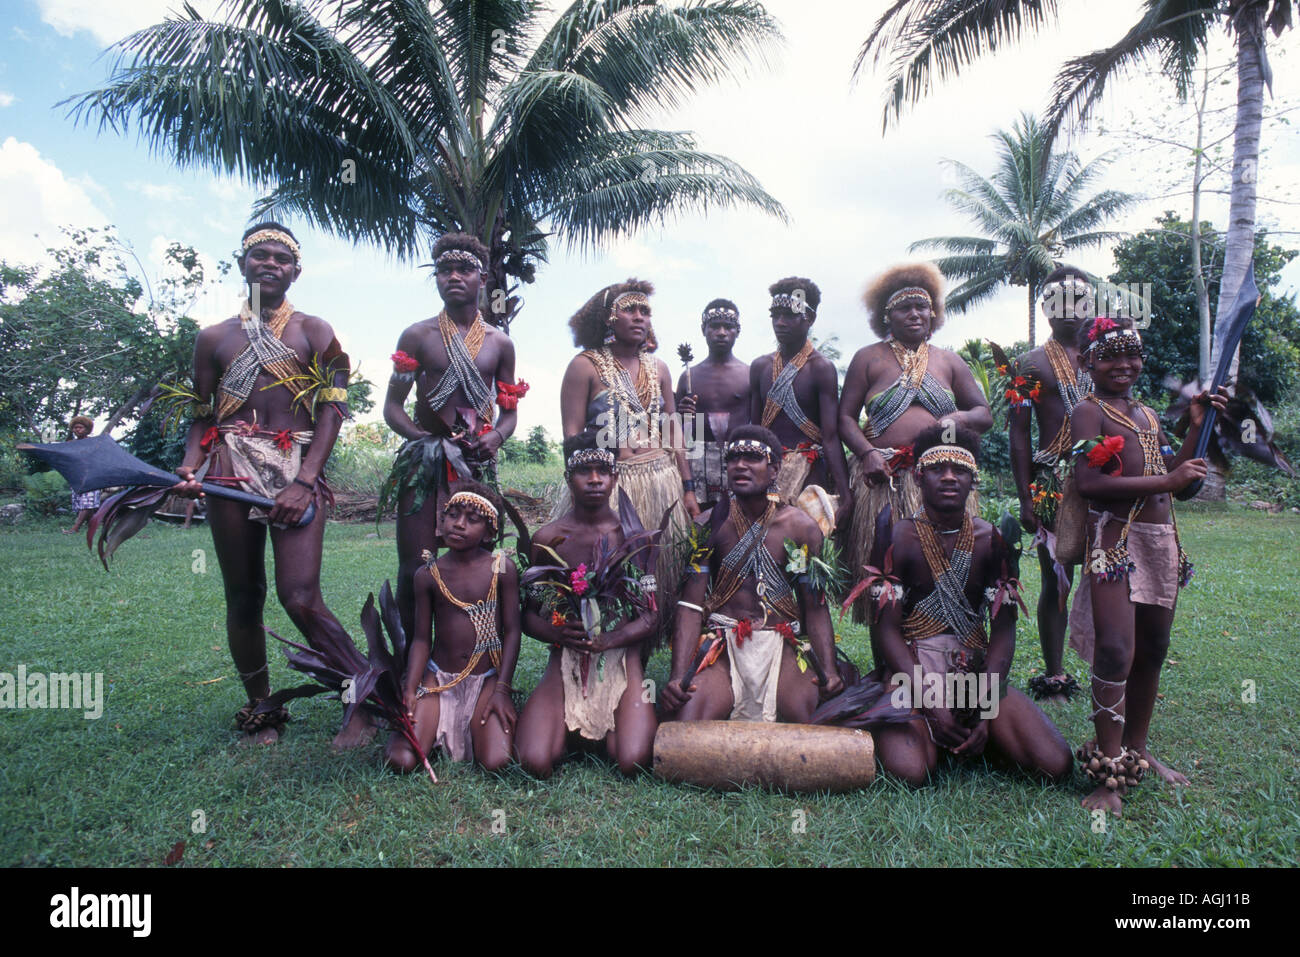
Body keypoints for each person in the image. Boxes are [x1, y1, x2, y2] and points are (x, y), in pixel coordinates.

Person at [171, 223, 368, 747]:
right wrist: (191, 466)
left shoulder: (315, 332)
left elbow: (333, 410)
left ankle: (365, 694)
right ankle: (261, 707)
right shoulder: (213, 338)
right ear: (242, 264)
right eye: (260, 256)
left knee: (300, 596)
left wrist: (306, 480)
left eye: (282, 258)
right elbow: (202, 416)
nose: (270, 264)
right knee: (243, 595)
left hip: (294, 466)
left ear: (296, 271)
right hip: (228, 466)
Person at [1067, 315, 1228, 816]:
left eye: (1131, 354)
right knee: (1116, 651)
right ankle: (1108, 774)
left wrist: (1195, 429)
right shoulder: (1088, 413)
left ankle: (1137, 751)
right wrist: (1169, 481)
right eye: (1110, 355)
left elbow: (1171, 472)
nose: (1124, 364)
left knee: (1153, 650)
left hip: (1161, 541)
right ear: (1088, 362)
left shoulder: (1146, 413)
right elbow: (1089, 485)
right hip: (1113, 542)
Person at [864, 424, 1072, 786]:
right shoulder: (895, 536)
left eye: (959, 470)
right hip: (912, 672)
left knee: (1054, 765)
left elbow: (1004, 630)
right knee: (909, 771)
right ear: (918, 476)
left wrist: (985, 704)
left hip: (973, 674)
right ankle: (933, 726)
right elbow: (887, 632)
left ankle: (973, 731)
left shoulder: (993, 539)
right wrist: (930, 703)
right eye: (937, 469)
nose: (948, 477)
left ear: (973, 480)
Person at [383, 232, 522, 640]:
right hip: (425, 463)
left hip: (477, 465)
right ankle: (414, 660)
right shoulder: (417, 336)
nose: (453, 277)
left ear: (483, 278)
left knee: (480, 563)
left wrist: (496, 437)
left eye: (464, 269)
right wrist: (424, 440)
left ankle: (476, 657)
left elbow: (510, 413)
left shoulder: (500, 344)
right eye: (444, 270)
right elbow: (392, 406)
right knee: (416, 564)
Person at [839, 263, 992, 624]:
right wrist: (867, 453)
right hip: (884, 479)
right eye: (904, 307)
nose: (914, 314)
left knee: (941, 567)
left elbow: (983, 414)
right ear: (886, 315)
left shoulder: (949, 361)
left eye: (921, 306)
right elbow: (844, 418)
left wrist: (958, 418)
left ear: (933, 313)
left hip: (942, 480)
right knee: (885, 572)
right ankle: (886, 664)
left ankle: (940, 647)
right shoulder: (868, 358)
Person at [660, 425, 844, 723]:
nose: (740, 465)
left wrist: (829, 671)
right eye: (733, 458)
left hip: (781, 641)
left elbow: (814, 605)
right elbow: (691, 606)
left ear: (774, 470)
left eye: (752, 458)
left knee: (814, 717)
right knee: (689, 719)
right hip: (723, 643)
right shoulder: (708, 527)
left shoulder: (801, 529)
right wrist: (678, 676)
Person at [515, 435, 659, 776]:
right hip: (565, 656)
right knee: (534, 760)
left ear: (615, 478)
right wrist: (559, 633)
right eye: (584, 471)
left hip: (622, 657)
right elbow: (528, 616)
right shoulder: (547, 539)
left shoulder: (635, 537)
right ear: (568, 478)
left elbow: (651, 615)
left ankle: (600, 726)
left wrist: (610, 640)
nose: (594, 479)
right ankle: (569, 725)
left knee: (633, 760)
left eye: (603, 471)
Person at [558, 278, 698, 618]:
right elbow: (572, 436)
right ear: (609, 318)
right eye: (630, 309)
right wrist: (582, 492)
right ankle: (609, 640)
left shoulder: (659, 367)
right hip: (611, 485)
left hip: (663, 482)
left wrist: (688, 487)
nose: (640, 317)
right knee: (612, 571)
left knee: (661, 568)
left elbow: (673, 428)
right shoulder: (584, 366)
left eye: (645, 311)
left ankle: (644, 647)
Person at [385, 482, 519, 773]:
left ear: (490, 531)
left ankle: (480, 722)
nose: (459, 525)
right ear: (440, 520)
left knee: (497, 762)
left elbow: (513, 632)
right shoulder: (427, 574)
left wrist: (502, 689)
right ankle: (426, 720)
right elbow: (422, 639)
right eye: (453, 515)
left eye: (473, 520)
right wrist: (411, 686)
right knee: (402, 760)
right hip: (438, 678)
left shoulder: (502, 568)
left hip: (486, 677)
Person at [1009, 266, 1094, 702]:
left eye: (1078, 303)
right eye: (1058, 304)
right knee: (1055, 578)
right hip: (1052, 479)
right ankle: (1056, 673)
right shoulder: (1030, 364)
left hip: (1102, 478)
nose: (1069, 312)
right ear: (1045, 310)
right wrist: (1026, 496)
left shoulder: (1104, 356)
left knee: (1107, 574)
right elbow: (1019, 433)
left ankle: (1109, 667)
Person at [749, 278, 851, 524]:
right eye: (775, 315)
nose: (780, 322)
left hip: (810, 473)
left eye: (790, 315)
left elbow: (830, 435)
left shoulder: (821, 368)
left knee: (804, 552)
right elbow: (755, 431)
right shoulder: (760, 367)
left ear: (810, 319)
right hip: (768, 470)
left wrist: (845, 493)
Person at [675, 299, 750, 509]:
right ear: (703, 330)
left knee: (739, 522)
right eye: (715, 326)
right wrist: (684, 415)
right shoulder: (688, 376)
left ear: (738, 331)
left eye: (728, 327)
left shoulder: (748, 374)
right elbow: (680, 431)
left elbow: (760, 422)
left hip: (739, 459)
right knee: (699, 529)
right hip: (698, 461)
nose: (722, 332)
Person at [64, 416, 101, 534]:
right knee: (82, 503)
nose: (77, 430)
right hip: (77, 477)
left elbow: (99, 459)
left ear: (87, 429)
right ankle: (93, 525)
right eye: (75, 428)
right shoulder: (70, 444)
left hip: (92, 476)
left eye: (80, 427)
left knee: (87, 503)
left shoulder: (93, 443)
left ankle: (75, 528)